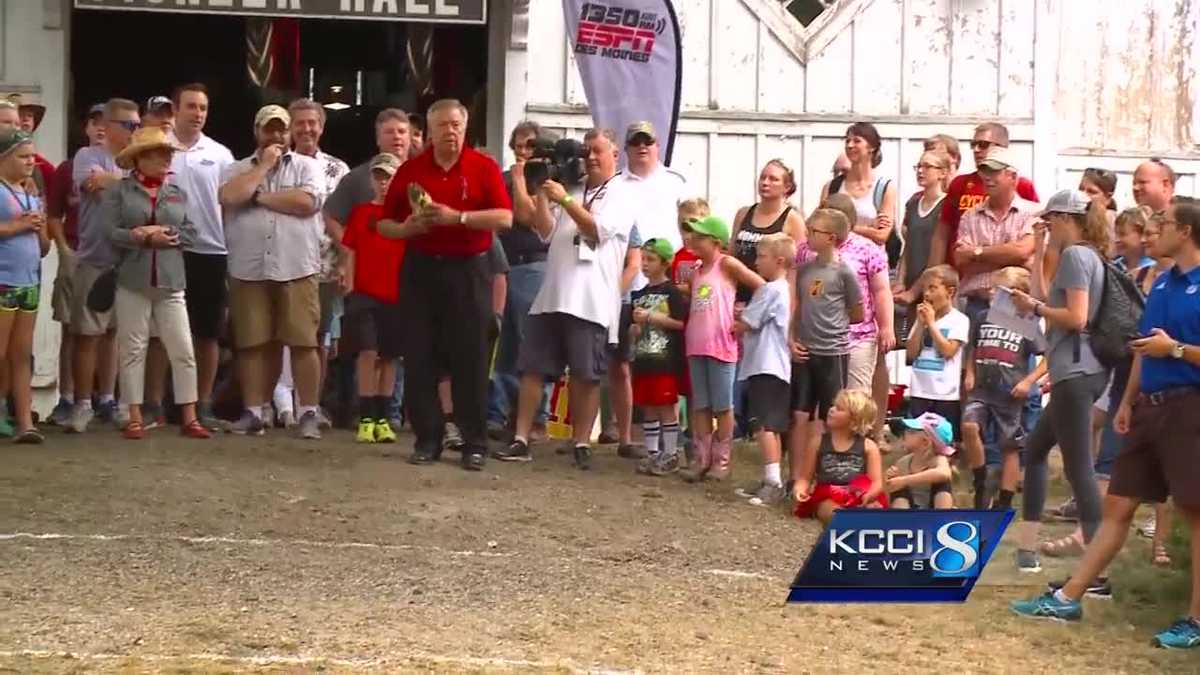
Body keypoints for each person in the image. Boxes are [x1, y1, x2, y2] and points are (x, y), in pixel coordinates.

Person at [1010, 197, 1200, 650]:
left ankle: (1194, 619)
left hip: (1189, 406)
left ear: (1188, 232)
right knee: (1117, 506)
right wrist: (1127, 401)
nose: (1157, 230)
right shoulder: (1161, 285)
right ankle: (1069, 597)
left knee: (1195, 518)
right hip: (1148, 407)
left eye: (1166, 224)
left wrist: (1176, 351)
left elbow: (1160, 345)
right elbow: (1141, 346)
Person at [378, 99, 512, 471]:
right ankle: (428, 439)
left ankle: (474, 442)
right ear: (430, 132)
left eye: (456, 125)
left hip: (469, 269)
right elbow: (383, 223)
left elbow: (505, 217)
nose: (450, 132)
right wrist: (406, 228)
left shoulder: (483, 167)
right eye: (442, 126)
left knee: (470, 356)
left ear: (465, 128)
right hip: (421, 268)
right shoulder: (412, 170)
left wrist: (460, 218)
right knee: (419, 354)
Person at [495, 128, 630, 468]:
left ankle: (582, 442)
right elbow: (544, 231)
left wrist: (565, 200)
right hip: (553, 292)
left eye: (598, 151)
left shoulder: (622, 193)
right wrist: (542, 189)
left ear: (615, 153)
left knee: (586, 373)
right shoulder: (572, 185)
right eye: (587, 151)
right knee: (532, 368)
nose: (591, 157)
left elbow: (596, 230)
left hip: (591, 297)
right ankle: (522, 437)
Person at [1008, 190, 1112, 572]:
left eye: (1050, 219)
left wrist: (1034, 308)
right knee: (1037, 452)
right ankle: (1027, 550)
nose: (1047, 224)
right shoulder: (1088, 256)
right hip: (1080, 370)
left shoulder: (1075, 255)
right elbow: (1042, 294)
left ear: (1068, 218)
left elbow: (1076, 317)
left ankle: (1097, 570)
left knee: (1079, 468)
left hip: (1075, 371)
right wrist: (1037, 248)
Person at [218, 104, 325, 439]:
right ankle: (254, 412)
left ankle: (308, 411)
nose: (276, 136)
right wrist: (263, 167)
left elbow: (307, 203)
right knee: (252, 343)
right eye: (269, 129)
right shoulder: (235, 168)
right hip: (249, 267)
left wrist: (259, 196)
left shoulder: (308, 166)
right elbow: (229, 195)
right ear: (257, 132)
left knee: (303, 342)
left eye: (282, 129)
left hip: (297, 266)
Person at [104, 126, 209, 440]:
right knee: (133, 348)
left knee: (182, 348)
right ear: (140, 159)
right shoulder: (120, 191)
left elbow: (192, 233)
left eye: (167, 153)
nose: (166, 158)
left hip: (170, 279)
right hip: (133, 278)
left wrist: (168, 235)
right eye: (159, 153)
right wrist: (141, 237)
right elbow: (110, 233)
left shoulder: (176, 192)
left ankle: (190, 416)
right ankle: (134, 414)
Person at [66, 98, 140, 433]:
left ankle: (108, 399)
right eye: (129, 125)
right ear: (108, 127)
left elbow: (138, 194)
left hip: (128, 262)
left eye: (137, 125)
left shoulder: (135, 159)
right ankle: (82, 404)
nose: (134, 131)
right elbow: (94, 186)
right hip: (94, 258)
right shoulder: (87, 156)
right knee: (88, 334)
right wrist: (124, 185)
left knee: (116, 335)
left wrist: (115, 183)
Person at [798, 193, 895, 433]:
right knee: (825, 402)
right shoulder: (806, 251)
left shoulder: (867, 249)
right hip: (816, 337)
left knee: (854, 397)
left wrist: (886, 327)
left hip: (858, 334)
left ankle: (856, 447)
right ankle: (824, 452)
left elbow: (881, 290)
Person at [678, 215, 764, 483]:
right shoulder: (696, 271)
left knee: (723, 405)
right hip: (696, 343)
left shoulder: (726, 264)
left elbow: (760, 285)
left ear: (715, 242)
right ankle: (702, 457)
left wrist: (746, 318)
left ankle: (722, 459)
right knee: (700, 404)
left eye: (700, 237)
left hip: (721, 344)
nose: (694, 241)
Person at [170, 83, 235, 430]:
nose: (197, 113)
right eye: (191, 106)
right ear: (175, 109)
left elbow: (228, 205)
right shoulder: (157, 147)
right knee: (162, 331)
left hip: (211, 249)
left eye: (203, 108)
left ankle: (203, 403)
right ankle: (159, 403)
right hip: (167, 249)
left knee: (207, 332)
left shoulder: (221, 154)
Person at [785, 209, 864, 495]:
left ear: (830, 238)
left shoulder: (844, 273)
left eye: (813, 230)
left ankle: (827, 475)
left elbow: (858, 312)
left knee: (830, 415)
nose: (807, 233)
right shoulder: (805, 270)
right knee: (799, 414)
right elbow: (797, 310)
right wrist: (793, 340)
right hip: (805, 351)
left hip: (833, 352)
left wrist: (834, 328)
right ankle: (795, 477)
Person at [288, 98, 350, 429]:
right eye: (300, 123)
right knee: (282, 337)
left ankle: (310, 406)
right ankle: (279, 404)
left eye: (312, 123)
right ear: (290, 127)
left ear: (322, 126)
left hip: (324, 266)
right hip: (284, 263)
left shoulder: (339, 169)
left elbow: (347, 220)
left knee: (318, 340)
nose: (307, 128)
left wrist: (344, 264)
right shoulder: (279, 163)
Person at [489, 120, 551, 441]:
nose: (523, 151)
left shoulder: (549, 181)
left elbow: (526, 219)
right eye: (519, 144)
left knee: (532, 343)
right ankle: (499, 414)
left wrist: (518, 180)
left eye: (530, 145)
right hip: (504, 265)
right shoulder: (500, 178)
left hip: (536, 267)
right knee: (503, 344)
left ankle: (537, 418)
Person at [962, 266, 1043, 509]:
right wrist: (970, 371)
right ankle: (981, 480)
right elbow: (973, 347)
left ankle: (1004, 499)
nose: (991, 291)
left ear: (1015, 294)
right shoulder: (983, 316)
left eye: (998, 289)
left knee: (1010, 447)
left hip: (1008, 393)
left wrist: (1028, 381)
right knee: (969, 426)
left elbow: (1049, 356)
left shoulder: (1024, 322)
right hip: (982, 391)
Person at [45, 103, 105, 426]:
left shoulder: (123, 167)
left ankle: (106, 398)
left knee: (109, 332)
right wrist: (65, 250)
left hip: (109, 259)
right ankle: (67, 398)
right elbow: (53, 215)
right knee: (71, 328)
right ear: (86, 128)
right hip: (76, 255)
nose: (99, 129)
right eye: (94, 122)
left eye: (104, 124)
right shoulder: (68, 169)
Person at [341, 153, 404, 444]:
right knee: (368, 353)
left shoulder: (406, 216)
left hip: (395, 295)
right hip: (364, 293)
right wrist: (349, 281)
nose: (383, 182)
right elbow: (350, 249)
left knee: (389, 356)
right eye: (378, 176)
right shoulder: (361, 213)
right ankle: (366, 416)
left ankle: (383, 416)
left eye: (389, 177)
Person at [730, 232, 795, 504]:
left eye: (761, 257)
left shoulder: (771, 290)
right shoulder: (781, 290)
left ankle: (773, 483)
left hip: (766, 367)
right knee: (769, 426)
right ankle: (772, 478)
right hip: (772, 367)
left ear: (779, 260)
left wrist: (733, 320)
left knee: (763, 426)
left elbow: (746, 323)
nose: (756, 262)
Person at [928, 122, 1040, 269]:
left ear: (1002, 147)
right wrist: (932, 274)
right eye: (973, 144)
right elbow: (943, 232)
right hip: (963, 276)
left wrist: (977, 252)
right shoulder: (960, 183)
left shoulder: (1022, 185)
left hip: (1011, 277)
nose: (976, 150)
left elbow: (1030, 244)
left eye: (983, 144)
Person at [953, 146, 1039, 328]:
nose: (987, 177)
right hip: (977, 303)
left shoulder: (1033, 212)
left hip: (1017, 303)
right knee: (974, 356)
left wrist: (976, 252)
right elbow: (960, 258)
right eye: (984, 171)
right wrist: (1009, 258)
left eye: (994, 171)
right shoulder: (970, 215)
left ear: (1013, 177)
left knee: (1019, 356)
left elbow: (1022, 252)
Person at [0, 129, 49, 443]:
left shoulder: (31, 193)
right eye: (23, 156)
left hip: (29, 282)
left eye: (32, 155)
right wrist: (19, 225)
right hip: (4, 281)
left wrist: (40, 228)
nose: (31, 161)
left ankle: (24, 422)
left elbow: (44, 246)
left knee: (21, 354)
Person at [630, 237, 687, 475]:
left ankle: (671, 453)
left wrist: (653, 318)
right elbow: (632, 329)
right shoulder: (638, 294)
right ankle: (653, 453)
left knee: (665, 406)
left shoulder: (671, 292)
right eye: (642, 259)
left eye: (650, 259)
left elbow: (680, 323)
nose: (644, 264)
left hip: (665, 360)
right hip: (644, 360)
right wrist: (634, 328)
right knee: (648, 408)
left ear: (664, 263)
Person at [793, 389, 887, 521]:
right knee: (829, 510)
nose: (831, 409)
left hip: (860, 492)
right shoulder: (817, 442)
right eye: (833, 405)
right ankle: (846, 521)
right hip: (828, 494)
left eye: (839, 409)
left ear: (854, 420)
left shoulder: (869, 446)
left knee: (875, 509)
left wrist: (870, 495)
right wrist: (800, 489)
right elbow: (805, 478)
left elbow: (876, 482)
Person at [904, 264, 969, 437]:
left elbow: (948, 351)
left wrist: (931, 324)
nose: (926, 294)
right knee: (917, 436)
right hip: (920, 389)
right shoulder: (921, 319)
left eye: (932, 288)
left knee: (942, 438)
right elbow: (911, 353)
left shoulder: (959, 320)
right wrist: (919, 324)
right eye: (925, 289)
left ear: (950, 292)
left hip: (944, 393)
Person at [730, 159, 806, 304]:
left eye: (773, 179)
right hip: (739, 297)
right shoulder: (743, 214)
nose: (765, 183)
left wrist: (790, 310)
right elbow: (732, 254)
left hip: (771, 300)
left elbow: (796, 269)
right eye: (762, 177)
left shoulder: (793, 220)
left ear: (787, 186)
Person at [820, 122, 898, 254]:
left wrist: (842, 226)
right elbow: (821, 226)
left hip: (871, 264)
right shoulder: (832, 187)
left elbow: (882, 236)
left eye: (857, 141)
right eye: (847, 141)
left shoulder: (884, 188)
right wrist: (869, 229)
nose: (850, 145)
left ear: (871, 147)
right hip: (836, 261)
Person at [894, 150, 951, 308]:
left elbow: (937, 257)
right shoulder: (913, 203)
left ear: (942, 173)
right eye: (918, 166)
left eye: (927, 166)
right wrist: (900, 281)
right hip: (911, 282)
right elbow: (908, 246)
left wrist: (914, 291)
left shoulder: (946, 205)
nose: (920, 171)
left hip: (936, 288)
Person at [887, 412, 955, 509]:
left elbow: (944, 473)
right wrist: (893, 478)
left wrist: (904, 480)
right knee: (899, 492)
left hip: (933, 508)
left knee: (942, 484)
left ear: (925, 442)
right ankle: (902, 521)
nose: (904, 433)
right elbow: (891, 487)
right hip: (910, 509)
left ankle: (942, 517)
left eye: (911, 432)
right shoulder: (903, 462)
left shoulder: (938, 459)